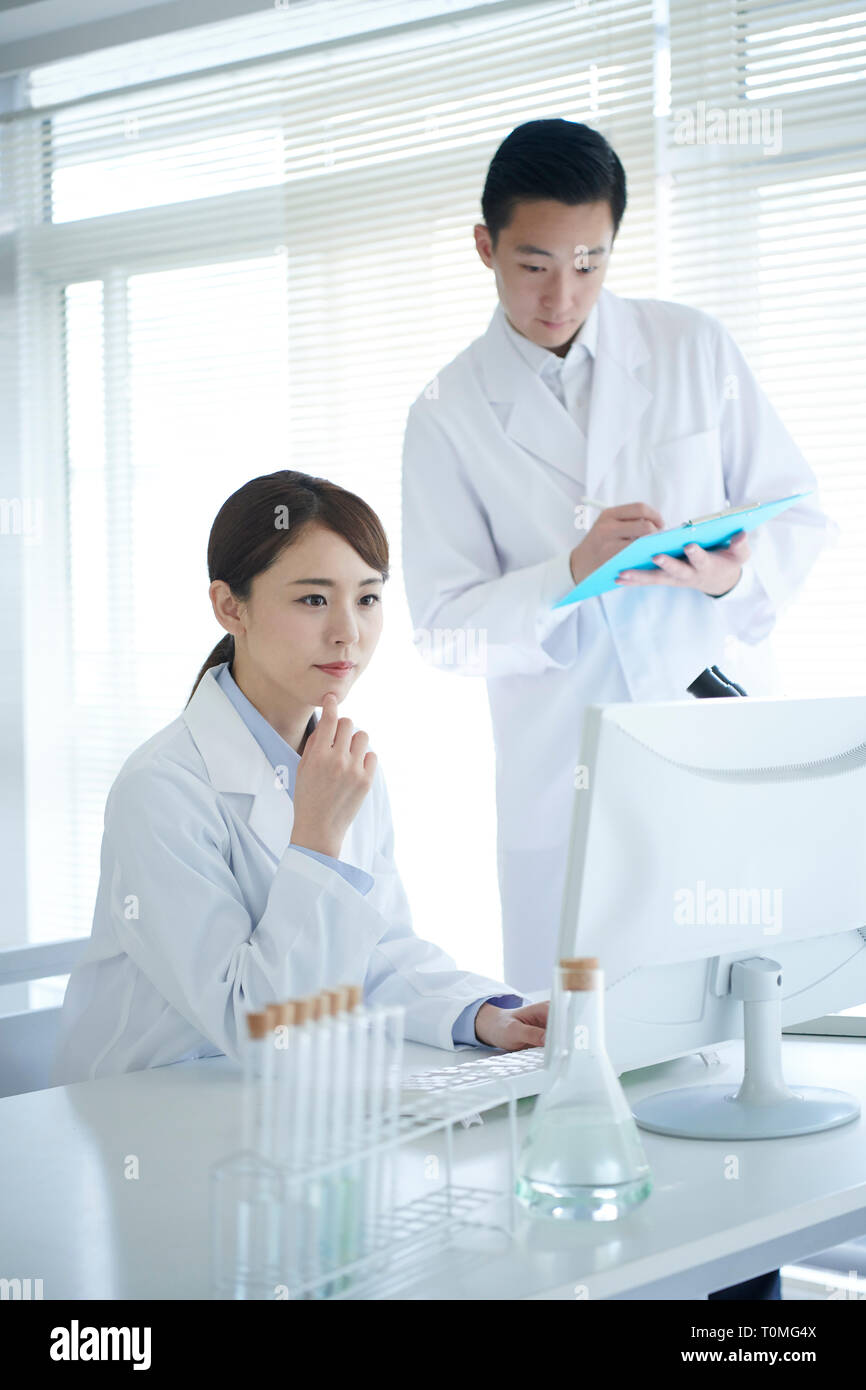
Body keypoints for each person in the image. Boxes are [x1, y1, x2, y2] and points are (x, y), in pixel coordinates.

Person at [401, 117, 834, 996]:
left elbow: (801, 514)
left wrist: (731, 575)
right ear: (485, 246)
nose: (562, 294)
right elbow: (444, 631)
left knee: (747, 1011)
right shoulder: (446, 413)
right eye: (534, 264)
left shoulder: (691, 347)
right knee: (591, 1045)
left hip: (713, 737)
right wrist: (569, 573)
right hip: (566, 779)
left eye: (590, 262)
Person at [53, 471, 547, 1085]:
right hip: (153, 1106)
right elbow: (260, 1028)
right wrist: (314, 834)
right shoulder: (160, 790)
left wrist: (484, 1016)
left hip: (280, 1102)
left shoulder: (341, 763)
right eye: (314, 599)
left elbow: (377, 953)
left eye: (367, 598)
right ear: (230, 606)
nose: (348, 632)